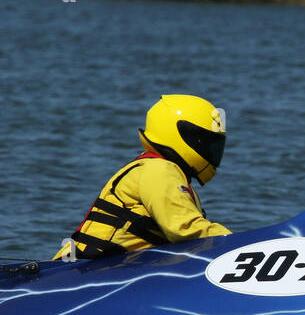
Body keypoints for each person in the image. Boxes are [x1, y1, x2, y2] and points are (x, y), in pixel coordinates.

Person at [54, 95, 230, 260]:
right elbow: (184, 229)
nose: (211, 150)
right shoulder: (159, 170)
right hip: (77, 274)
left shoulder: (165, 172)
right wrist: (238, 242)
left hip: (103, 273)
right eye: (205, 142)